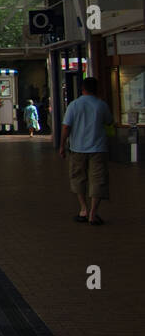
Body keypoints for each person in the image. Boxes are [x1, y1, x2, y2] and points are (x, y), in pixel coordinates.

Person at [60, 77, 113, 225]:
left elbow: (66, 127)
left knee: (78, 178)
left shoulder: (74, 105)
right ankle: (93, 213)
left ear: (82, 89)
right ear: (97, 89)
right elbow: (109, 121)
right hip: (98, 148)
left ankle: (83, 209)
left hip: (77, 148)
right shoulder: (101, 105)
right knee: (98, 180)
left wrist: (62, 145)